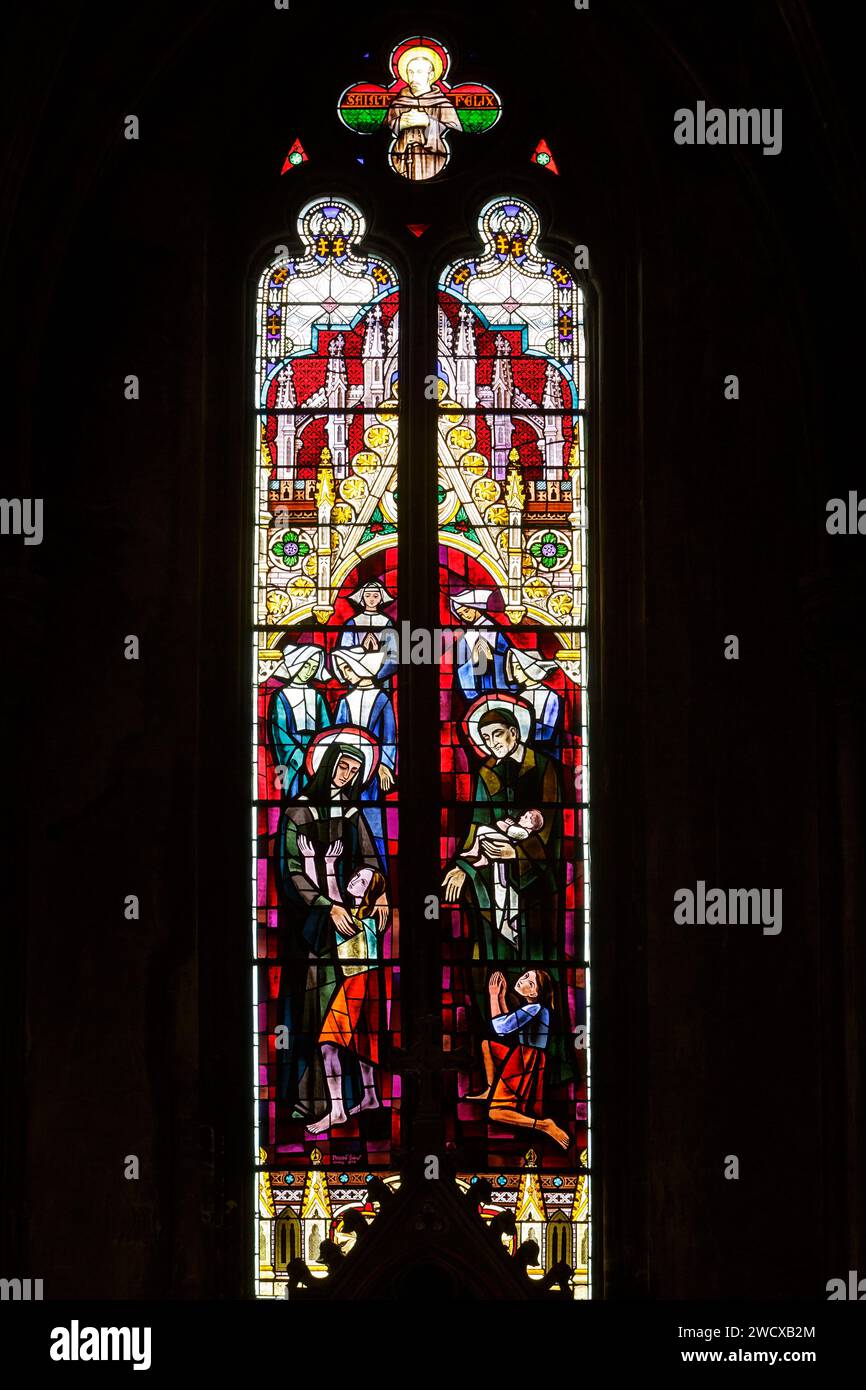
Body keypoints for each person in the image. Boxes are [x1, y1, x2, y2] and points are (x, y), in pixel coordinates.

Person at [275, 729, 388, 1125]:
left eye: (355, 770)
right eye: (342, 766)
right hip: (311, 935)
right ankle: (313, 1101)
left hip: (351, 934)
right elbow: (289, 873)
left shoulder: (351, 813)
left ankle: (357, 1099)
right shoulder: (298, 812)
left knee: (352, 1016)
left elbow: (370, 860)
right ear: (326, 765)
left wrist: (381, 893)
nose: (346, 774)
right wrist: (326, 908)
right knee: (312, 1013)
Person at [441, 696, 562, 961]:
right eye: (485, 738)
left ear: (514, 732)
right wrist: (464, 866)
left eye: (498, 734)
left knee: (536, 950)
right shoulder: (487, 771)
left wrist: (517, 855)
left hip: (535, 877)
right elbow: (479, 822)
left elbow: (548, 828)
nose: (492, 742)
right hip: (494, 872)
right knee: (497, 949)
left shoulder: (543, 767)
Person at [306, 866, 390, 1134]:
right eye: (355, 876)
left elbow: (332, 902)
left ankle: (338, 1110)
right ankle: (370, 1097)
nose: (354, 880)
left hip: (360, 981)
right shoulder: (369, 916)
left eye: (362, 880)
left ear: (370, 891)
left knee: (329, 1045)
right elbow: (333, 902)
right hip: (367, 982)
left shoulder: (359, 918)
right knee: (363, 1044)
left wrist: (329, 867)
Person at [466, 969, 569, 1151]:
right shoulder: (533, 1008)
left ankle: (544, 1125)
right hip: (523, 1054)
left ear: (534, 993)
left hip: (527, 1059)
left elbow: (502, 1027)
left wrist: (493, 996)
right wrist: (501, 998)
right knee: (486, 1045)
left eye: (529, 980)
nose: (522, 979)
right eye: (524, 975)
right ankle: (491, 1089)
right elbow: (511, 1025)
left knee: (495, 1112)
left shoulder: (535, 1008)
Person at [332, 647, 397, 861]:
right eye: (342, 670)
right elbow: (337, 741)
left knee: (372, 821)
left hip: (373, 775)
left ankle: (377, 871)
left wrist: (384, 765)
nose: (344, 674)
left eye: (347, 669)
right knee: (346, 821)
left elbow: (389, 737)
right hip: (347, 773)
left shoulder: (383, 699)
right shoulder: (344, 701)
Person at [460, 809, 545, 947]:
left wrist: (506, 824)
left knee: (482, 830)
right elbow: (503, 826)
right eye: (524, 814)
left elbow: (502, 826)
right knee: (482, 831)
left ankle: (477, 853)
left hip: (505, 871)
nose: (522, 816)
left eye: (526, 817)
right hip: (499, 864)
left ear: (531, 824)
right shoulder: (520, 830)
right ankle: (480, 856)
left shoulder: (523, 832)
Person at [386, 48, 461, 181]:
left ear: (431, 75)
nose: (413, 77)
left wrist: (428, 123)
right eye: (410, 72)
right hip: (401, 160)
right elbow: (383, 132)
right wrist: (399, 123)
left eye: (419, 72)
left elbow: (457, 134)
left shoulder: (443, 104)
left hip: (434, 162)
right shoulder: (398, 103)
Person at [267, 644, 330, 798]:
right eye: (306, 665)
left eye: (314, 667)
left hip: (316, 753)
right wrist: (298, 756)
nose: (309, 671)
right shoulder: (280, 696)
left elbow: (326, 729)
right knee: (294, 796)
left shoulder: (318, 697)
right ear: (296, 662)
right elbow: (279, 733)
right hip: (292, 756)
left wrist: (318, 754)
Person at [449, 587, 512, 700]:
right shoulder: (465, 638)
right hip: (479, 693)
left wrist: (493, 658)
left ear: (476, 607)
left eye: (466, 611)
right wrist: (472, 662)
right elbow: (461, 667)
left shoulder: (496, 630)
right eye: (461, 614)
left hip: (500, 688)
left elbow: (510, 658)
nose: (465, 616)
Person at [338, 579, 398, 680]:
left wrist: (376, 677)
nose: (371, 599)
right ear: (362, 597)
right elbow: (345, 653)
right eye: (367, 595)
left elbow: (392, 656)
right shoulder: (352, 623)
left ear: (381, 598)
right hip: (356, 678)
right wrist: (361, 651)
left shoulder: (387, 623)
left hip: (381, 680)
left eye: (375, 596)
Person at [505, 647, 562, 754]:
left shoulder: (550, 696)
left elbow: (547, 733)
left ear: (530, 669)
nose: (514, 672)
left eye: (518, 667)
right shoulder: (518, 696)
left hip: (545, 753)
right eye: (513, 667)